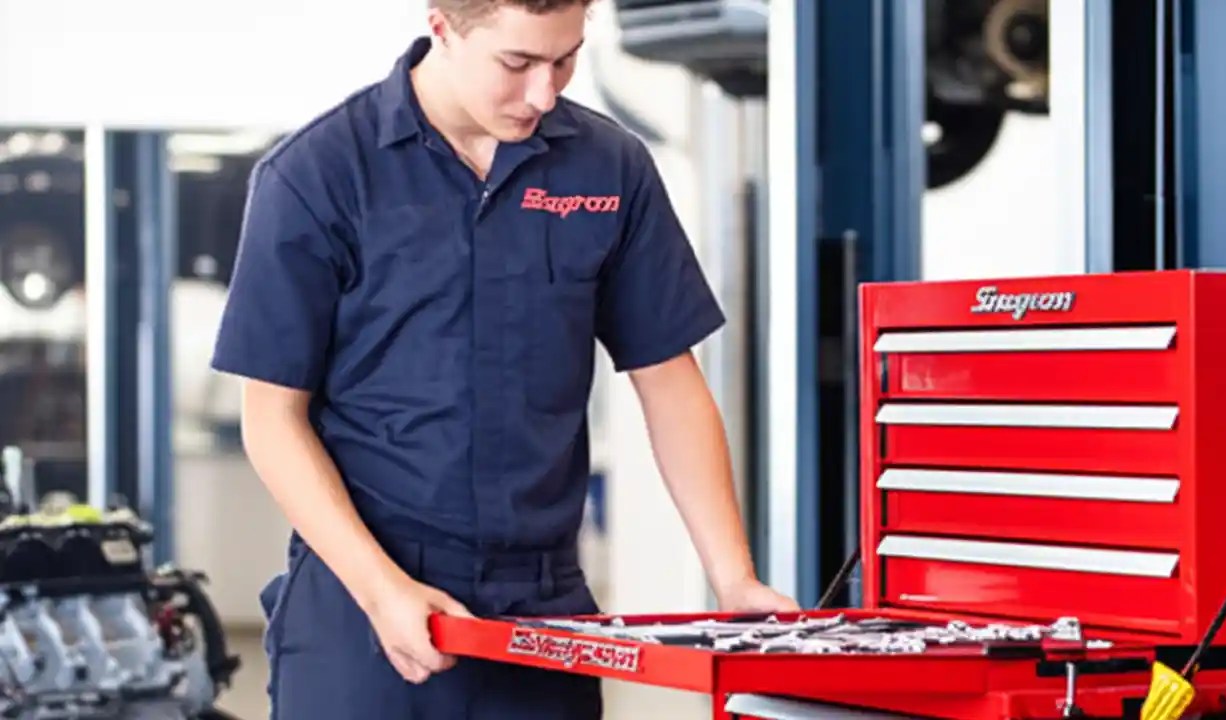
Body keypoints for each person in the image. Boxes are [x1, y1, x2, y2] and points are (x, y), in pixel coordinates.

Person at [210, 0, 798, 717]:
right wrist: (380, 589)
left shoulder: (610, 168)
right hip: (363, 600)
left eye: (565, 58)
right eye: (516, 63)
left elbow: (670, 383)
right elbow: (272, 419)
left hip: (543, 610)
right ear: (442, 27)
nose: (544, 94)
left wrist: (732, 579)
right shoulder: (318, 175)